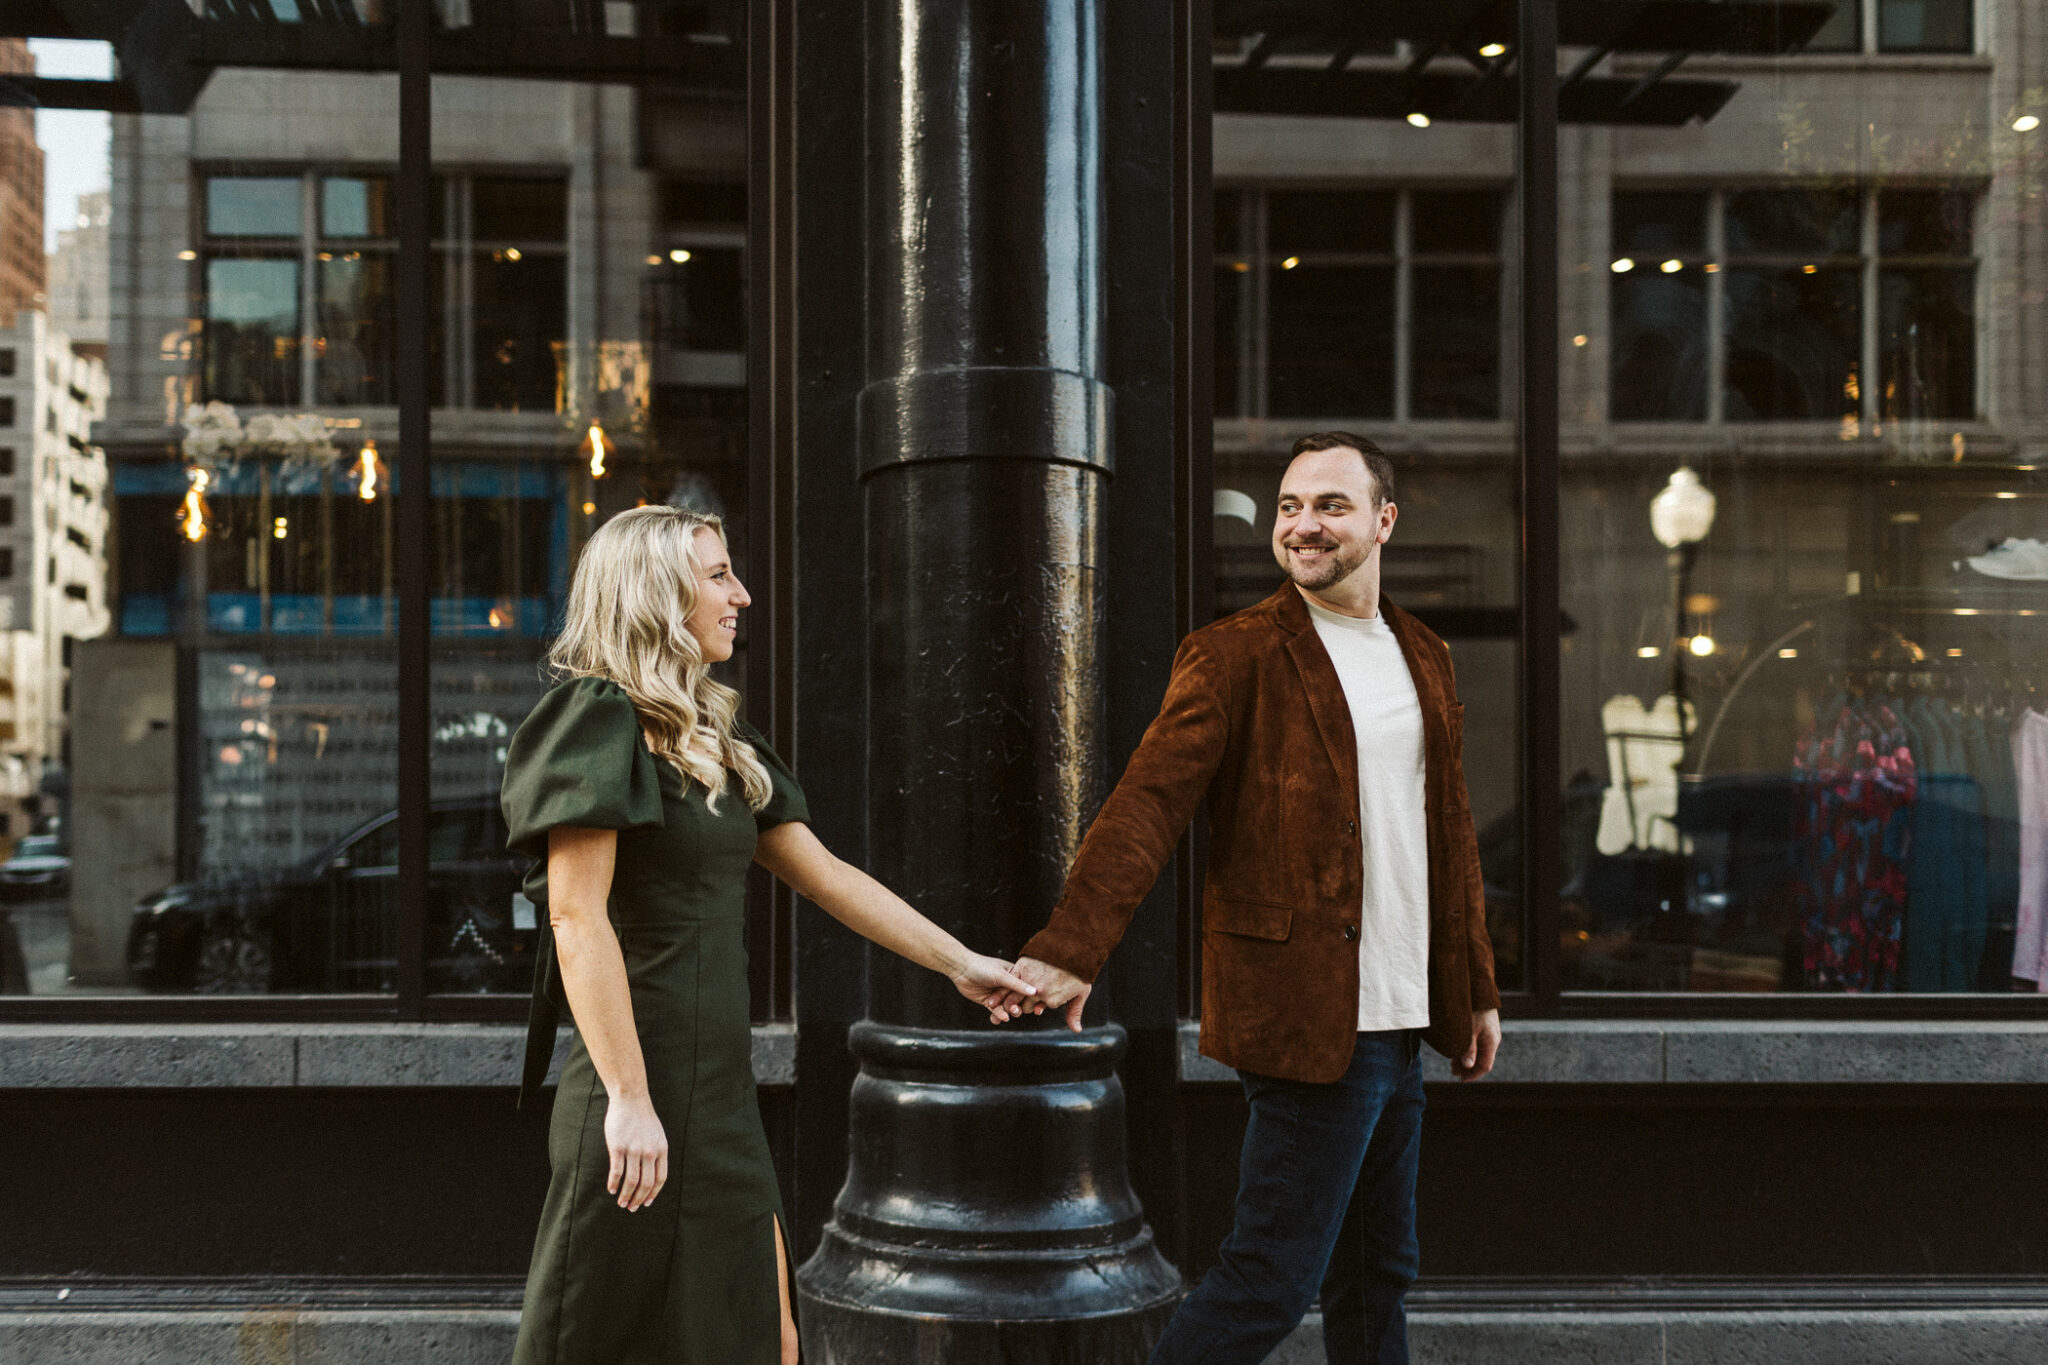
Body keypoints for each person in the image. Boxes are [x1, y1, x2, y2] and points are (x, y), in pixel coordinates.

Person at [1005, 432, 1502, 1364]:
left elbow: (1451, 830)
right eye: (1288, 507)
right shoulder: (1233, 655)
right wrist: (1073, 944)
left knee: (1378, 1274)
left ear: (1384, 522)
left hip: (1402, 1019)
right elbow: (1148, 802)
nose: (1304, 525)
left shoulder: (1423, 654)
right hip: (1308, 1020)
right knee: (1267, 1280)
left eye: (1331, 506)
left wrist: (1474, 985)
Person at [504, 505, 1035, 1365]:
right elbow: (575, 915)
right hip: (636, 1089)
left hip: (718, 1092)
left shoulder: (713, 732)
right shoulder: (596, 717)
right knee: (598, 1345)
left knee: (767, 1339)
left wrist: (962, 963)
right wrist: (632, 1100)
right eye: (718, 575)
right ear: (654, 592)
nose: (741, 594)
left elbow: (827, 875)